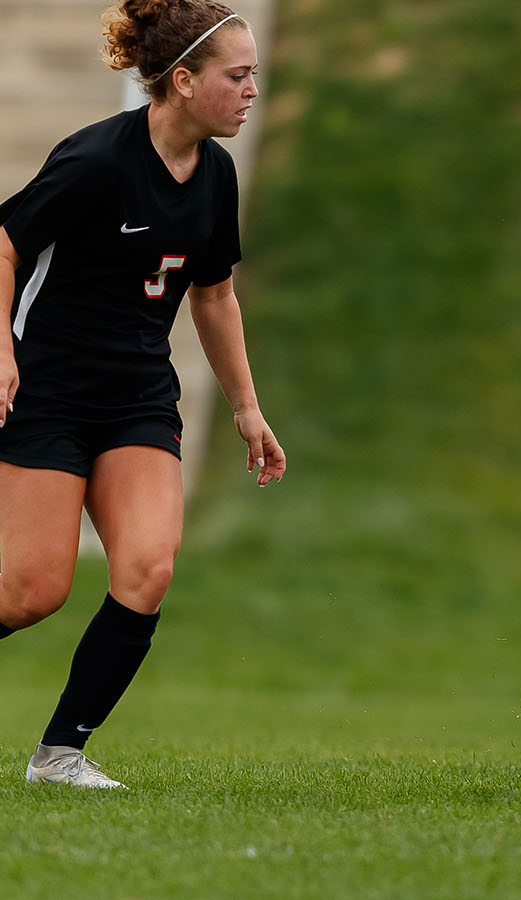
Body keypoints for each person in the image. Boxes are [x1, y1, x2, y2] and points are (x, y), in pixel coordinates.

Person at [0, 0, 285, 789]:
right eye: (237, 75)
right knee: (31, 593)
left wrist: (246, 407)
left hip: (137, 399)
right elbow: (4, 245)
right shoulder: (96, 160)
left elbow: (215, 296)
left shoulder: (216, 173)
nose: (252, 90)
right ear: (184, 81)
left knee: (148, 570)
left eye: (255, 74)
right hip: (49, 392)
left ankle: (60, 756)